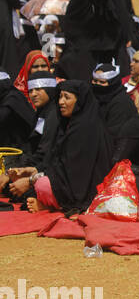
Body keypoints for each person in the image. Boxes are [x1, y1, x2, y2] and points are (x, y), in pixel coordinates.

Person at [12, 80, 112, 213]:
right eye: (60, 96)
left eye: (67, 97)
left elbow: (71, 171)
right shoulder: (69, 124)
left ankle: (53, 205)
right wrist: (33, 170)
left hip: (86, 189)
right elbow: (56, 160)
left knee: (42, 185)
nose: (61, 102)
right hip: (69, 181)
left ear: (80, 101)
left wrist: (31, 180)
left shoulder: (84, 128)